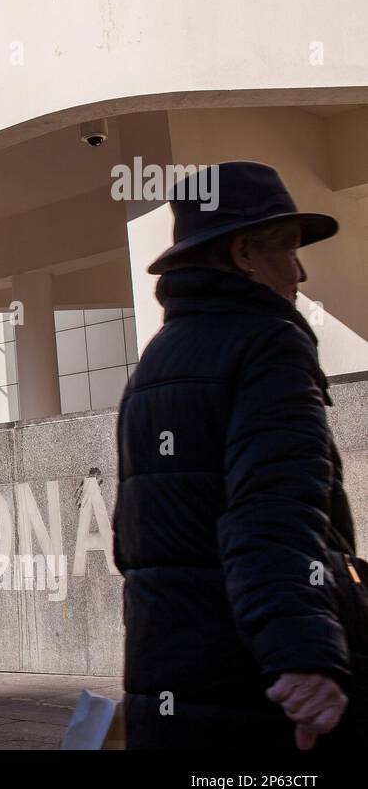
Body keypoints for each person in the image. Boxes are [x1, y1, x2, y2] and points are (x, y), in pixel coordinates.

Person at [114, 160, 365, 750]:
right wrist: (303, 656)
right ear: (246, 254)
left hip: (170, 680)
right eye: (289, 250)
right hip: (256, 690)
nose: (300, 271)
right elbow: (273, 513)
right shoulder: (267, 345)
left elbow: (143, 542)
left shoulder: (158, 360)